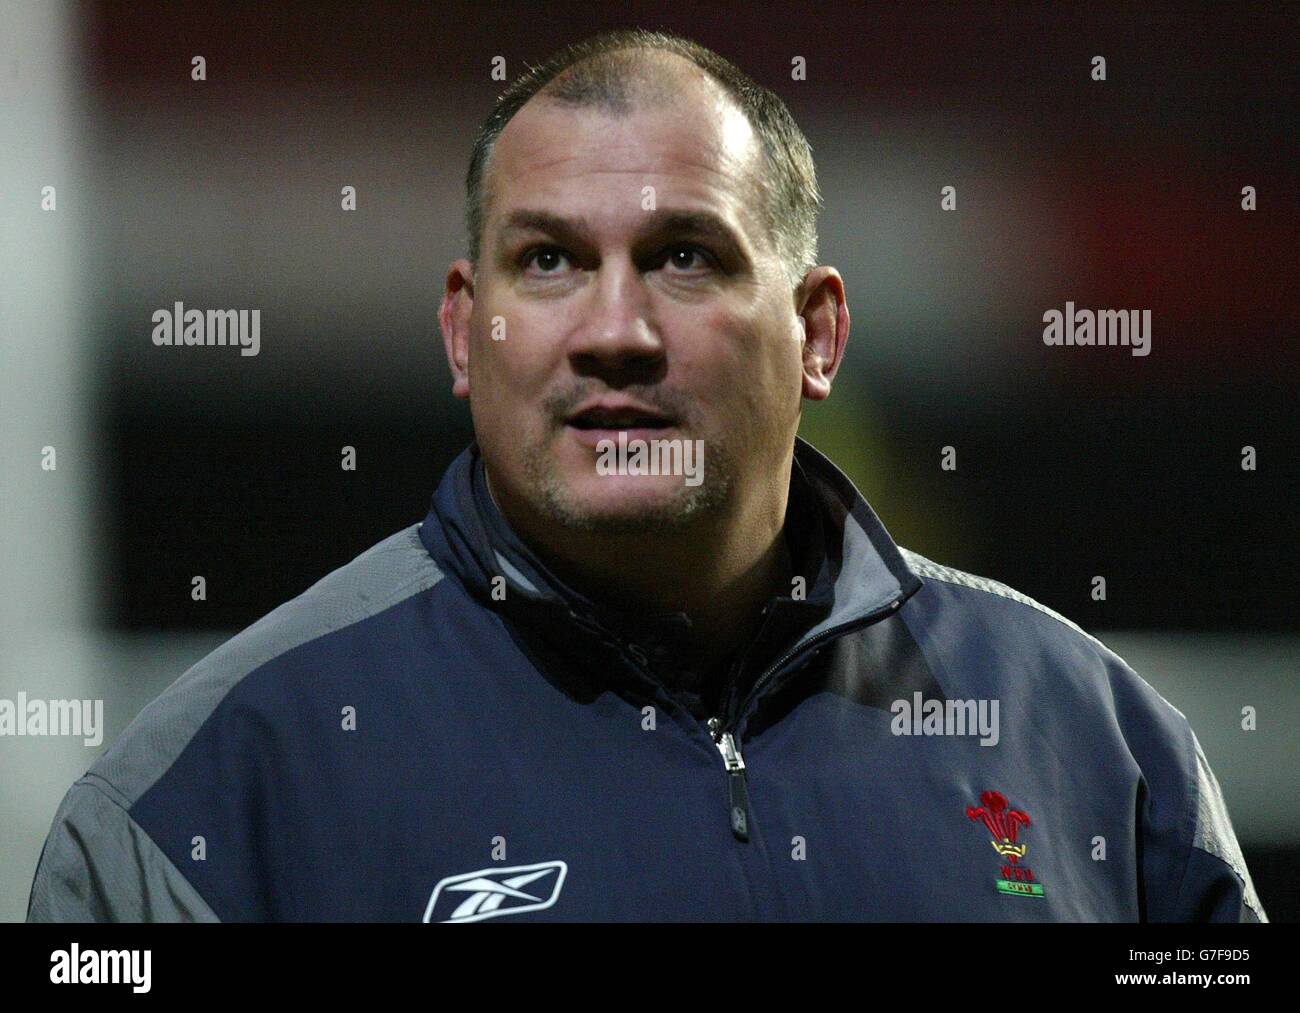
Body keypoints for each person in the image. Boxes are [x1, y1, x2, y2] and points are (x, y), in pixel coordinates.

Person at [27, 29, 1265, 922]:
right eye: (550, 261)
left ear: (818, 333)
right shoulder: (206, 797)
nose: (614, 327)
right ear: (467, 333)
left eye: (683, 255)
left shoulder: (1095, 742)